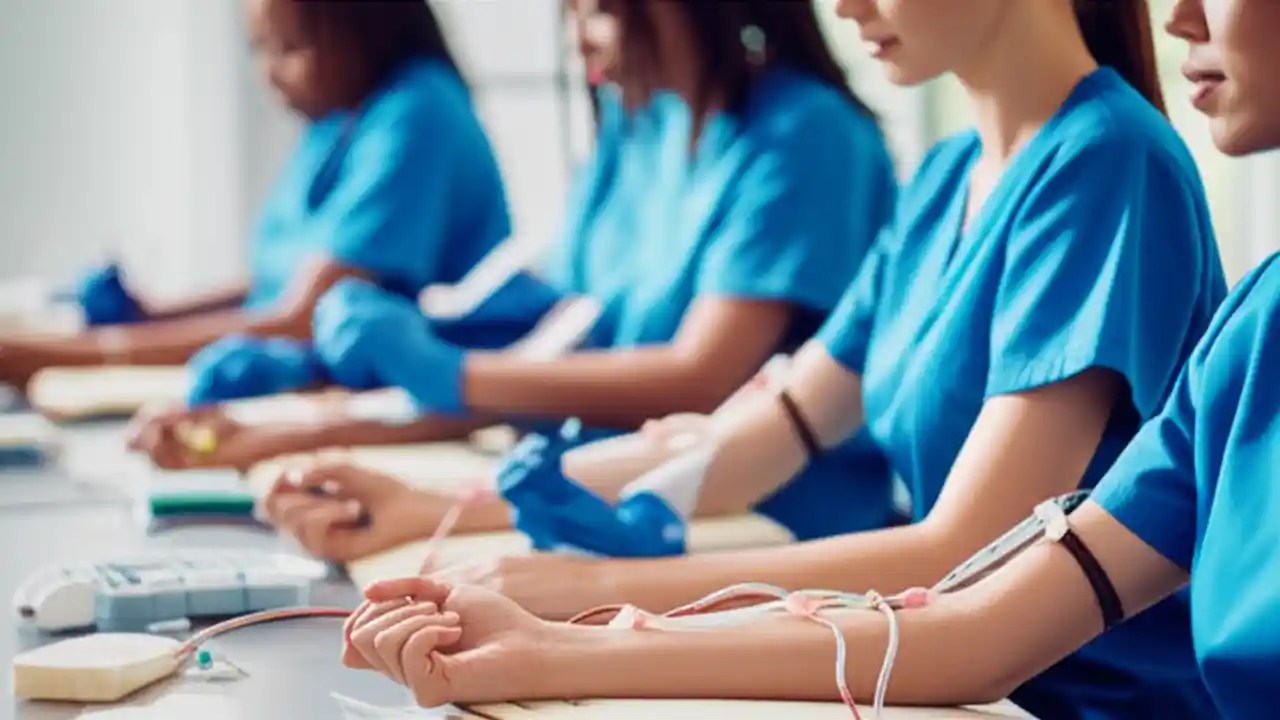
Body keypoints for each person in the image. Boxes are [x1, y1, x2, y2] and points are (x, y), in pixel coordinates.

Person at [336, 0, 1236, 717]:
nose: (844, 6)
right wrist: (444, 506)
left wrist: (589, 592)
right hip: (938, 672)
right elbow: (759, 438)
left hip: (1065, 700)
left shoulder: (1110, 166)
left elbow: (969, 554)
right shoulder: (948, 176)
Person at [137, 0, 904, 544]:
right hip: (617, 483)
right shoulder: (642, 125)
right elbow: (559, 357)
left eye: (599, 7)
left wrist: (449, 373)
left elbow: (699, 378)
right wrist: (308, 422)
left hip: (771, 525)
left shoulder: (809, 136)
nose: (579, 38)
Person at [0, 0, 509, 390]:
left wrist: (79, 353)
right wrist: (154, 316)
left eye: (289, 48)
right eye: (260, 48)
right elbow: (276, 282)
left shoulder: (419, 114)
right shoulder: (336, 120)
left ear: (363, 24)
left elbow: (299, 318)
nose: (268, 72)